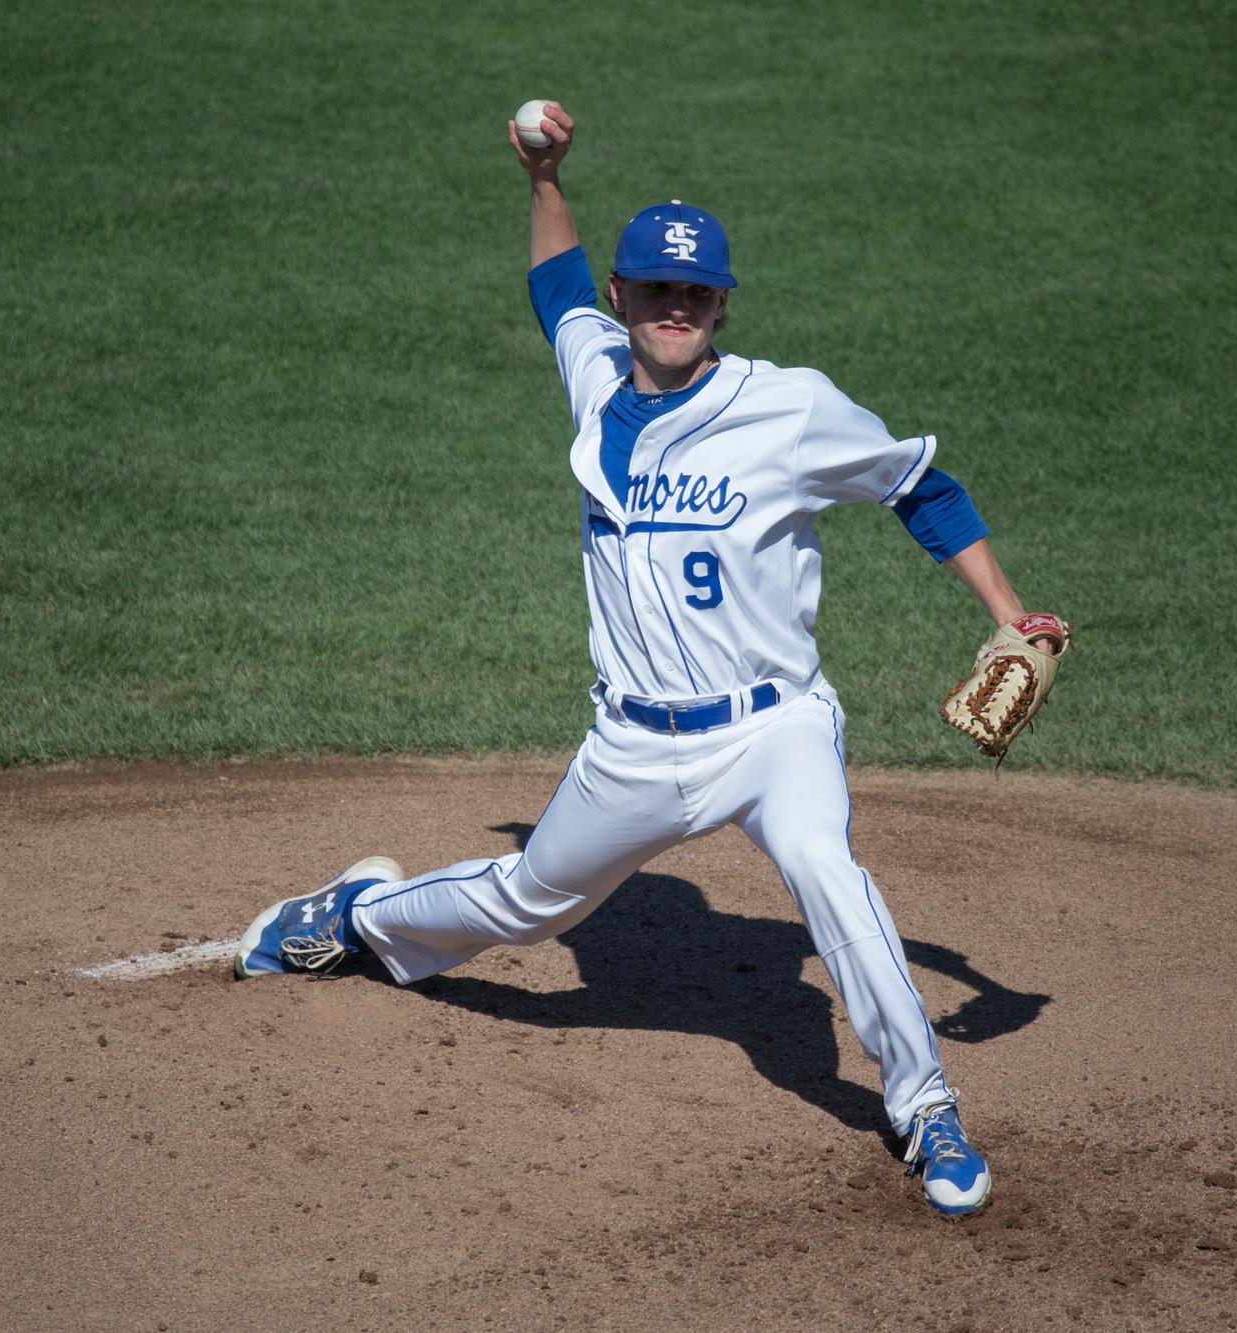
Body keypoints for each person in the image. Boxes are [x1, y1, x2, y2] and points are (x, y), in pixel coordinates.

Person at [234, 102, 1057, 1217]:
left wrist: (1014, 612)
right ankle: (355, 918)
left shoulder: (788, 406)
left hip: (773, 729)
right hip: (631, 741)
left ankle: (924, 1107)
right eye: (653, 291)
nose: (674, 309)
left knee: (826, 872)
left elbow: (921, 486)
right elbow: (551, 292)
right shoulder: (592, 370)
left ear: (720, 305)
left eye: (695, 294)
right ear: (624, 300)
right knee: (530, 906)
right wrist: (542, 178)